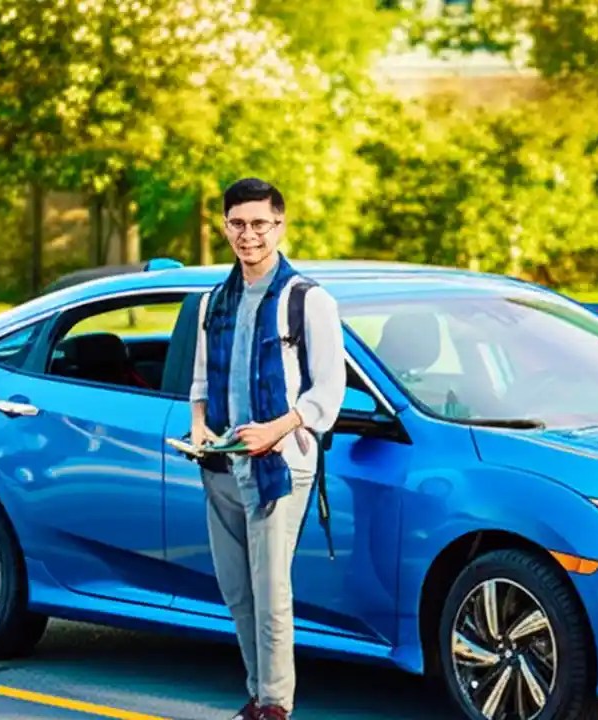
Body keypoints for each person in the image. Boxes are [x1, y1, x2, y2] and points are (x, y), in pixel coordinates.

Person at [188, 177, 346, 720]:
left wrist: (275, 429)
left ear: (279, 225)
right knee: (237, 591)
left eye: (259, 224)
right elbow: (201, 379)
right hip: (223, 464)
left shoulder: (307, 300)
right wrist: (200, 426)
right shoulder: (216, 299)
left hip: (282, 467)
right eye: (238, 223)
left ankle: (276, 707)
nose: (248, 235)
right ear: (225, 226)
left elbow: (328, 392)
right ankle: (257, 696)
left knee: (271, 591)